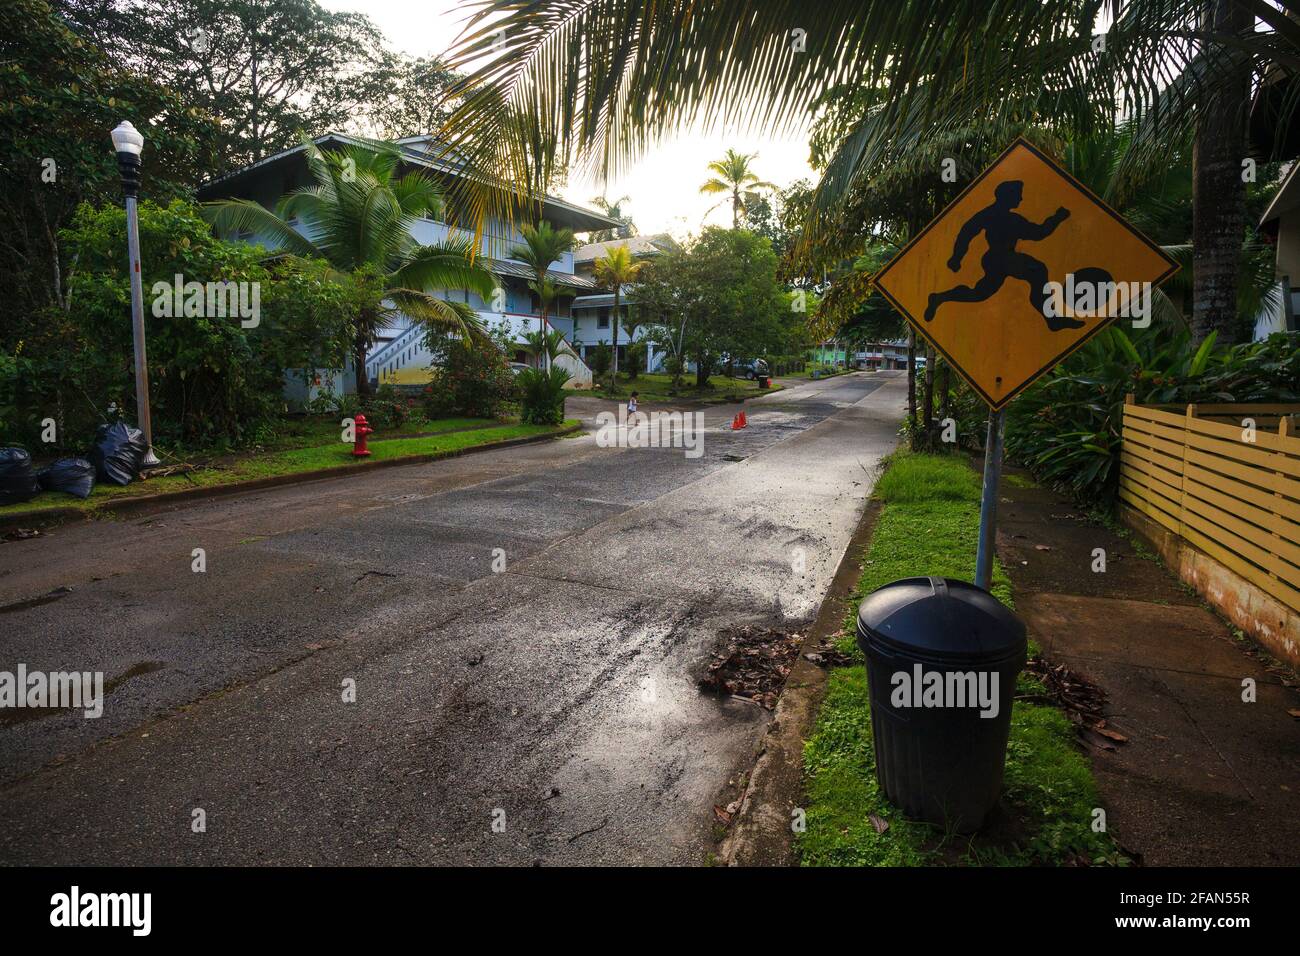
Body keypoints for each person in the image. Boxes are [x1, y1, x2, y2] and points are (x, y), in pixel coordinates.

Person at [923, 179, 1083, 331]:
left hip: (994, 259)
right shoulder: (1007, 218)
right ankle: (1052, 319)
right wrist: (956, 257)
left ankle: (940, 297)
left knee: (980, 293)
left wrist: (957, 257)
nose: (1020, 199)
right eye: (1018, 195)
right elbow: (968, 231)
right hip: (1003, 258)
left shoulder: (994, 214)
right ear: (1008, 196)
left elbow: (968, 231)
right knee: (1038, 270)